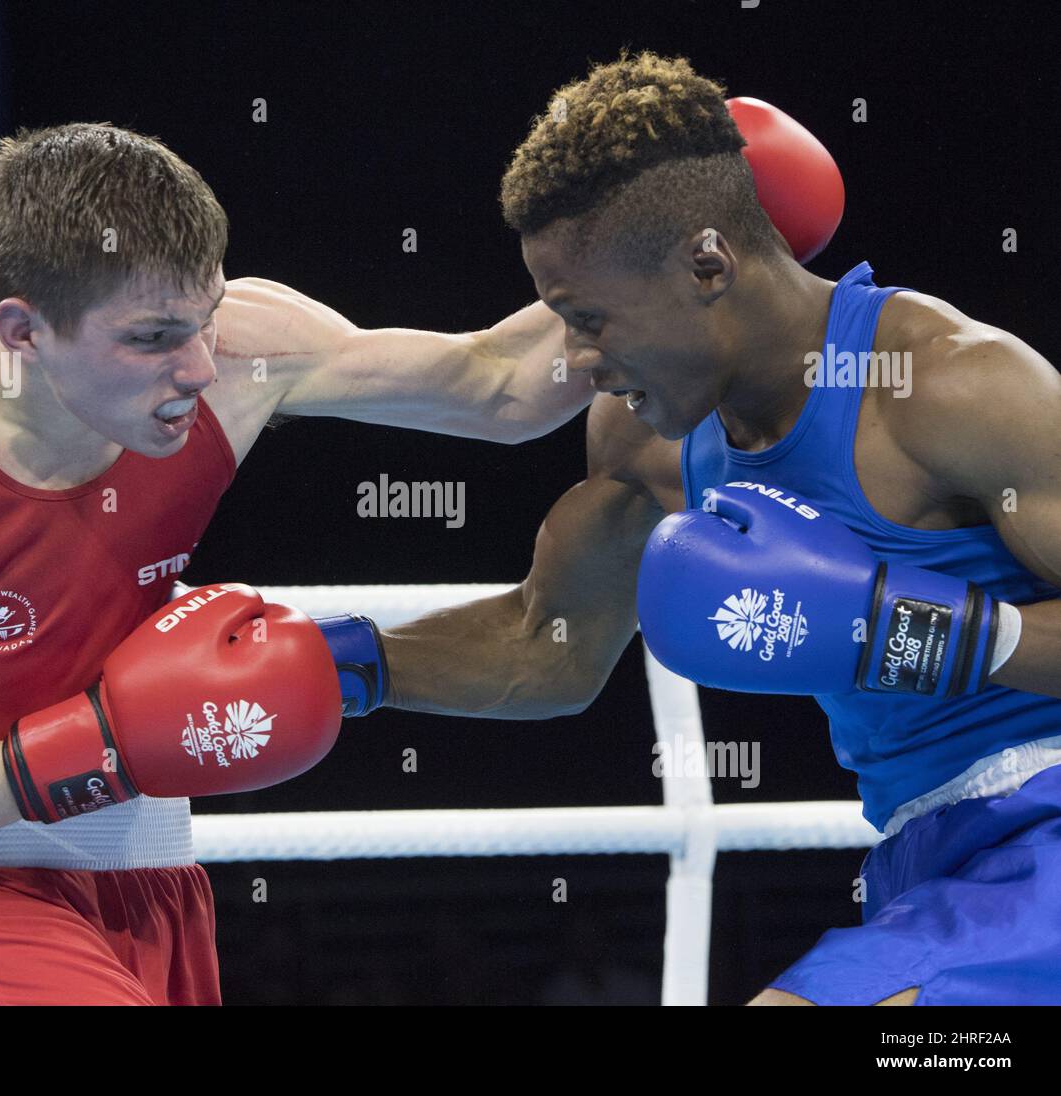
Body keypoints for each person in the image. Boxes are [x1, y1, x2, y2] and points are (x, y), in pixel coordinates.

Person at [0, 122, 587, 1005]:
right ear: (23, 329)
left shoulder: (240, 350)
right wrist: (110, 746)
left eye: (204, 321)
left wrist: (686, 228)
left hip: (154, 883)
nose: (201, 367)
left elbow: (502, 386)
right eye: (155, 336)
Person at [374, 51, 1061, 1005]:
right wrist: (344, 666)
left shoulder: (954, 385)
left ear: (709, 263)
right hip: (928, 856)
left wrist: (916, 626)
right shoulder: (648, 439)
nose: (575, 359)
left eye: (589, 319)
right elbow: (549, 648)